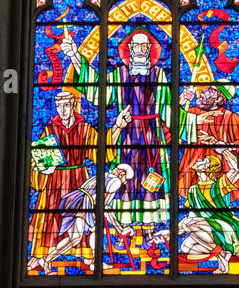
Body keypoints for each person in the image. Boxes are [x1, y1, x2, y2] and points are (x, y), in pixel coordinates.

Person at [61, 26, 171, 233]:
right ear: (128, 49)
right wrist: (75, 56)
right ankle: (125, 224)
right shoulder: (118, 74)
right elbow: (96, 89)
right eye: (135, 46)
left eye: (144, 46)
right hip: (126, 134)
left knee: (151, 177)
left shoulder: (160, 74)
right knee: (124, 179)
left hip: (152, 135)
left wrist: (191, 119)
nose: (139, 49)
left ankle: (150, 227)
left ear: (149, 50)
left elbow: (170, 109)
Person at [28, 88, 101, 263]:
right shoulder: (50, 129)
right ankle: (41, 255)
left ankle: (84, 254)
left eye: (66, 105)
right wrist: (42, 168)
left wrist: (118, 127)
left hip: (78, 178)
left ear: (74, 106)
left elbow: (101, 151)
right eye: (59, 106)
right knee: (49, 216)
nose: (63, 110)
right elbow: (38, 157)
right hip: (55, 179)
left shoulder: (85, 128)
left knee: (80, 217)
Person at [29, 164, 134, 272]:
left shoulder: (104, 175)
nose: (125, 183)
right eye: (126, 179)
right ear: (122, 174)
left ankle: (47, 259)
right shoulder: (115, 182)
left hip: (75, 200)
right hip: (86, 205)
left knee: (74, 238)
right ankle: (96, 262)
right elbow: (103, 204)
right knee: (93, 231)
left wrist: (117, 226)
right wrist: (119, 228)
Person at [178, 151, 239, 272]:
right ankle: (223, 252)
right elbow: (192, 215)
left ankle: (221, 253)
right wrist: (169, 232)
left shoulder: (218, 186)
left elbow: (238, 169)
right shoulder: (193, 189)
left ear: (209, 169)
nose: (198, 160)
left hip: (223, 227)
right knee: (186, 246)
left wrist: (224, 151)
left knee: (189, 224)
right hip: (203, 229)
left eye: (203, 161)